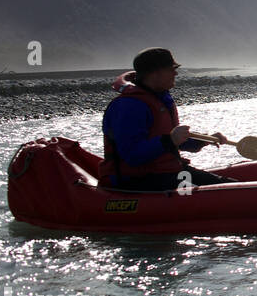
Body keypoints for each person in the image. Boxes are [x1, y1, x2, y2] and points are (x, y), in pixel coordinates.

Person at [98, 47, 231, 191]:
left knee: (228, 186)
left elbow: (173, 143)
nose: (175, 73)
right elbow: (132, 156)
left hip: (167, 174)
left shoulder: (159, 98)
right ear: (155, 73)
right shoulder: (129, 106)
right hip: (137, 181)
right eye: (171, 68)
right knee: (221, 195)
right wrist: (170, 140)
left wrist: (206, 139)